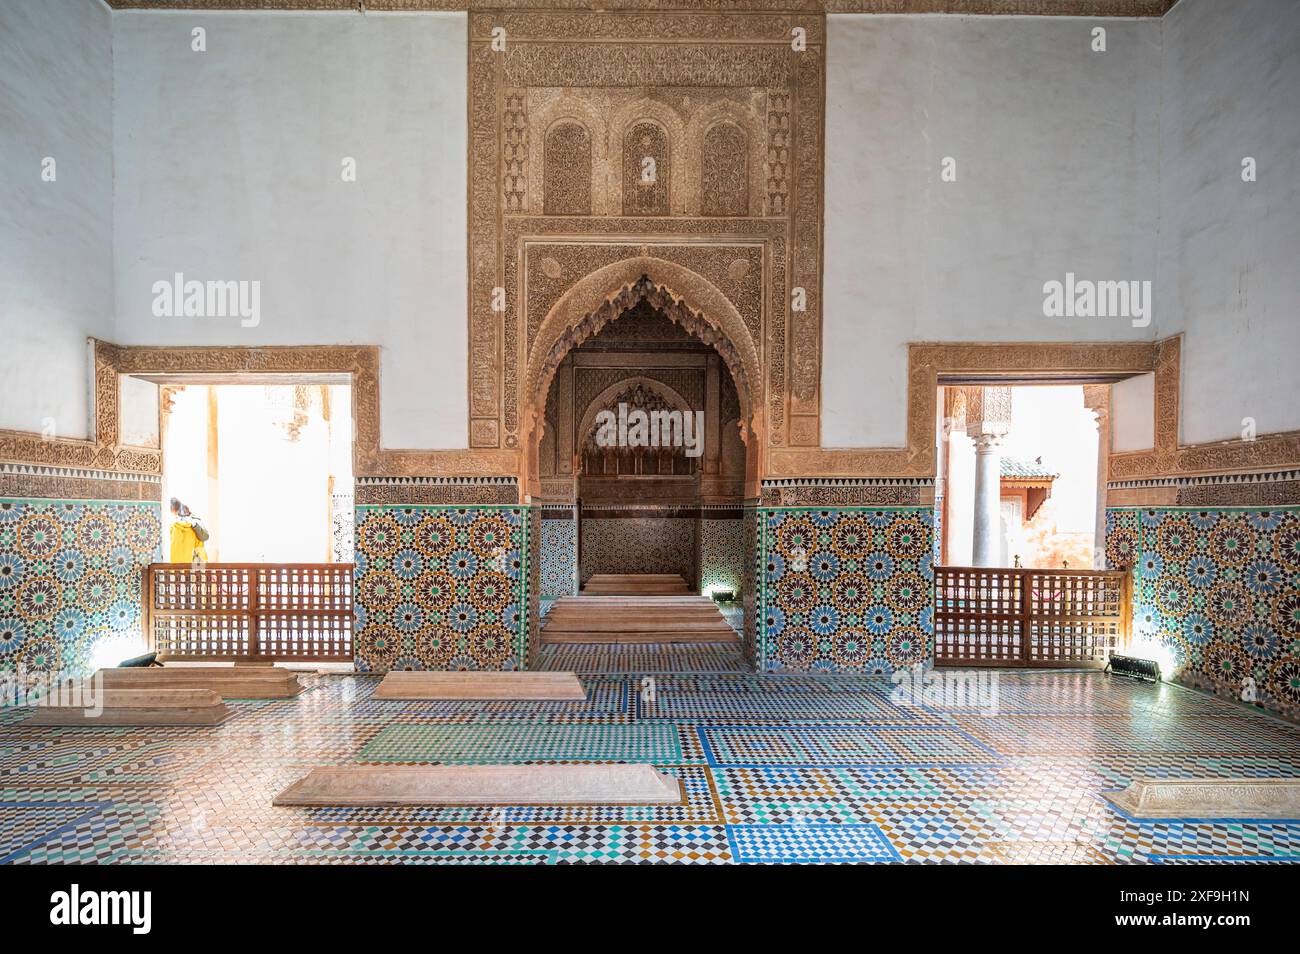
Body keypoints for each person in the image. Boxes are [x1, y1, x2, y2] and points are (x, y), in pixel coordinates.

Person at [168, 498, 209, 564]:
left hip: (173, 568)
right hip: (189, 568)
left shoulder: (171, 528)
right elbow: (200, 551)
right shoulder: (195, 528)